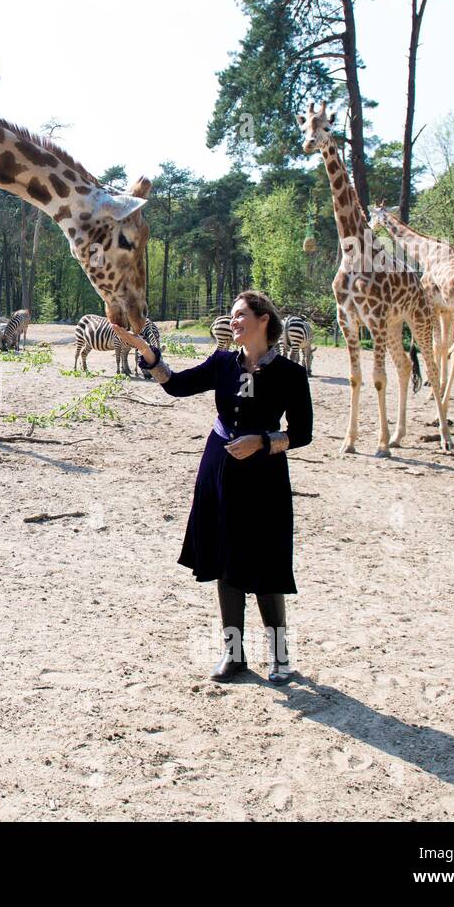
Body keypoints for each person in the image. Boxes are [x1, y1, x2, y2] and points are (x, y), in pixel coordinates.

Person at [111, 292, 313, 684]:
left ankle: (279, 658)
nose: (232, 322)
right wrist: (149, 355)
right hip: (219, 471)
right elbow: (176, 385)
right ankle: (234, 656)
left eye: (240, 316)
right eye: (232, 316)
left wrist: (263, 441)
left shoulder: (289, 374)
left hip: (265, 476)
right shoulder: (222, 363)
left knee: (266, 562)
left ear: (263, 321)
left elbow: (302, 434)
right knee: (226, 561)